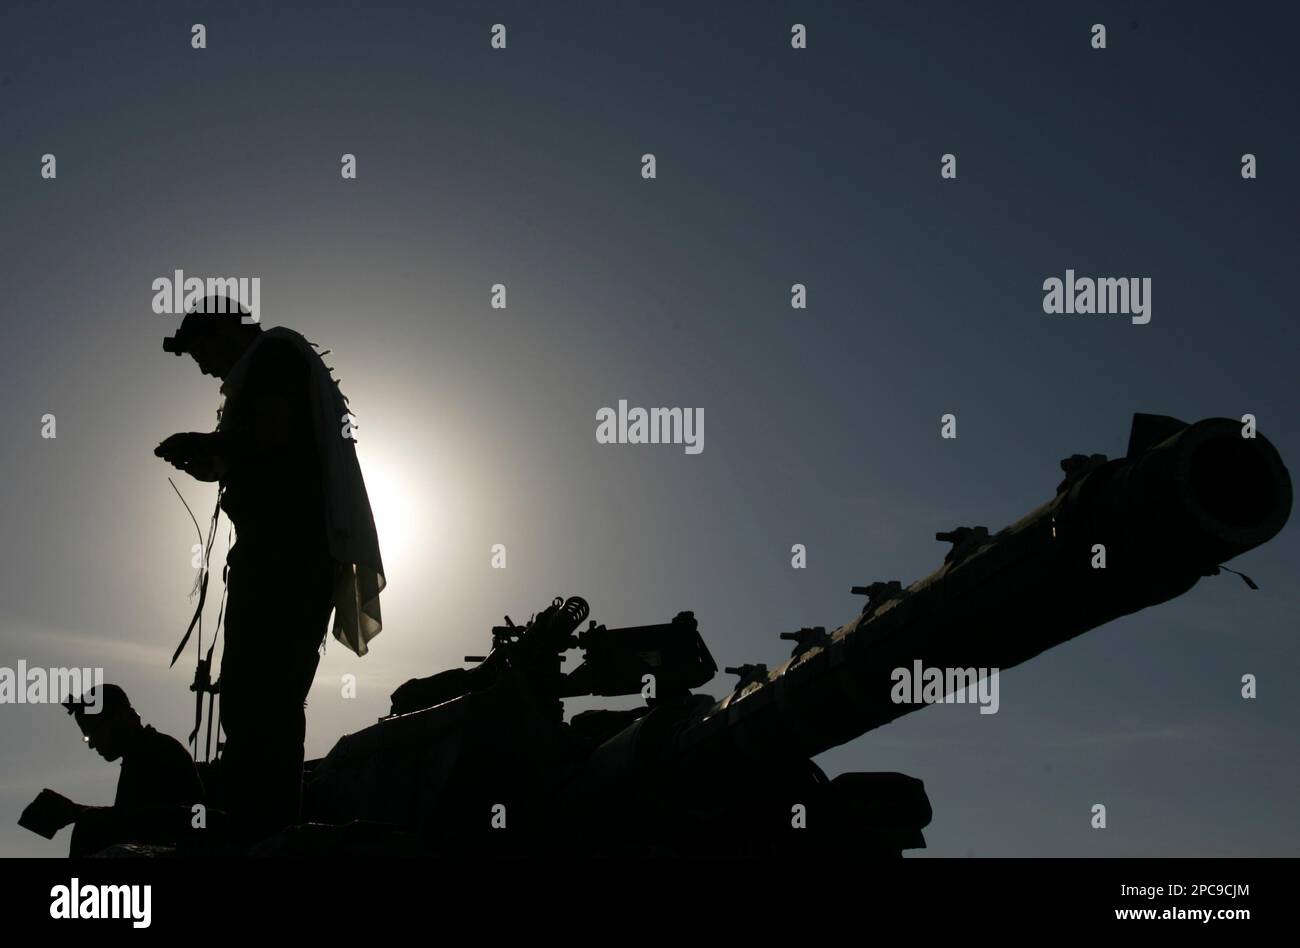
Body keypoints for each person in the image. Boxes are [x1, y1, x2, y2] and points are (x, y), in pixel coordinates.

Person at [155, 296, 385, 845]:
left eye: (202, 351)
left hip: (285, 555)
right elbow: (265, 448)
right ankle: (266, 826)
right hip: (282, 553)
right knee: (260, 698)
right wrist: (214, 459)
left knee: (263, 698)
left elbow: (272, 436)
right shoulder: (270, 365)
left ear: (223, 333)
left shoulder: (275, 356)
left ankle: (266, 831)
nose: (206, 368)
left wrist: (208, 445)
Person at [44, 684, 205, 855]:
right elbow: (131, 817)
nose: (91, 744)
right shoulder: (140, 755)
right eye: (86, 737)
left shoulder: (156, 752)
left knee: (88, 827)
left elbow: (146, 821)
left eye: (93, 733)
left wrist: (78, 813)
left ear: (119, 719)